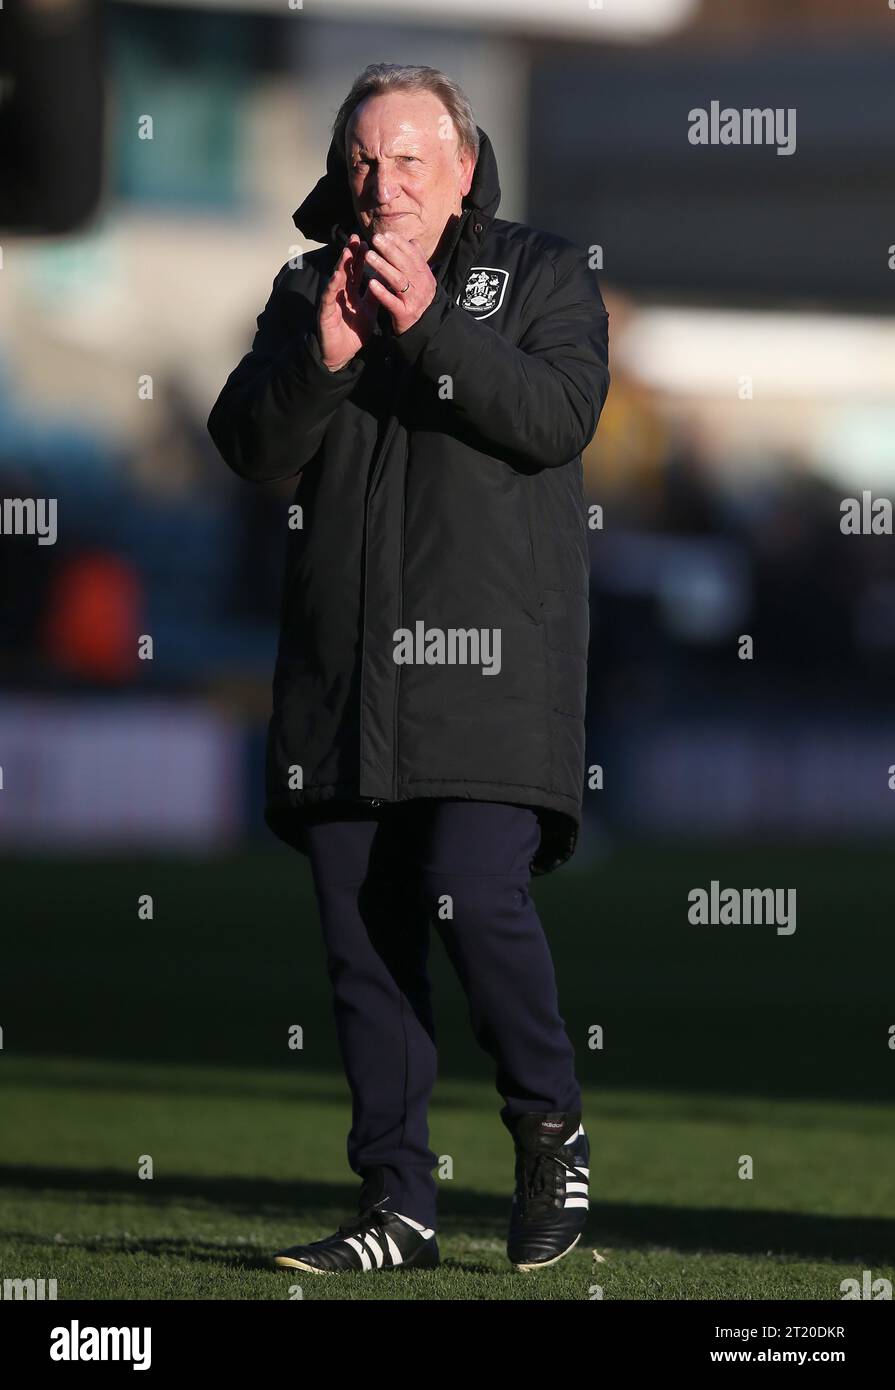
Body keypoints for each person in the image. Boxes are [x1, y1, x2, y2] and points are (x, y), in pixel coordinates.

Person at [207, 62, 610, 1275]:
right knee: (362, 938)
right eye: (365, 160)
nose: (384, 183)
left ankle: (548, 1126)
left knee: (474, 892)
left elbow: (556, 418)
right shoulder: (302, 285)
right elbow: (249, 446)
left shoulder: (541, 272)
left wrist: (430, 321)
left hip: (489, 669)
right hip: (339, 676)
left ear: (466, 166)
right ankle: (399, 1206)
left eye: (412, 159)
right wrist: (323, 356)